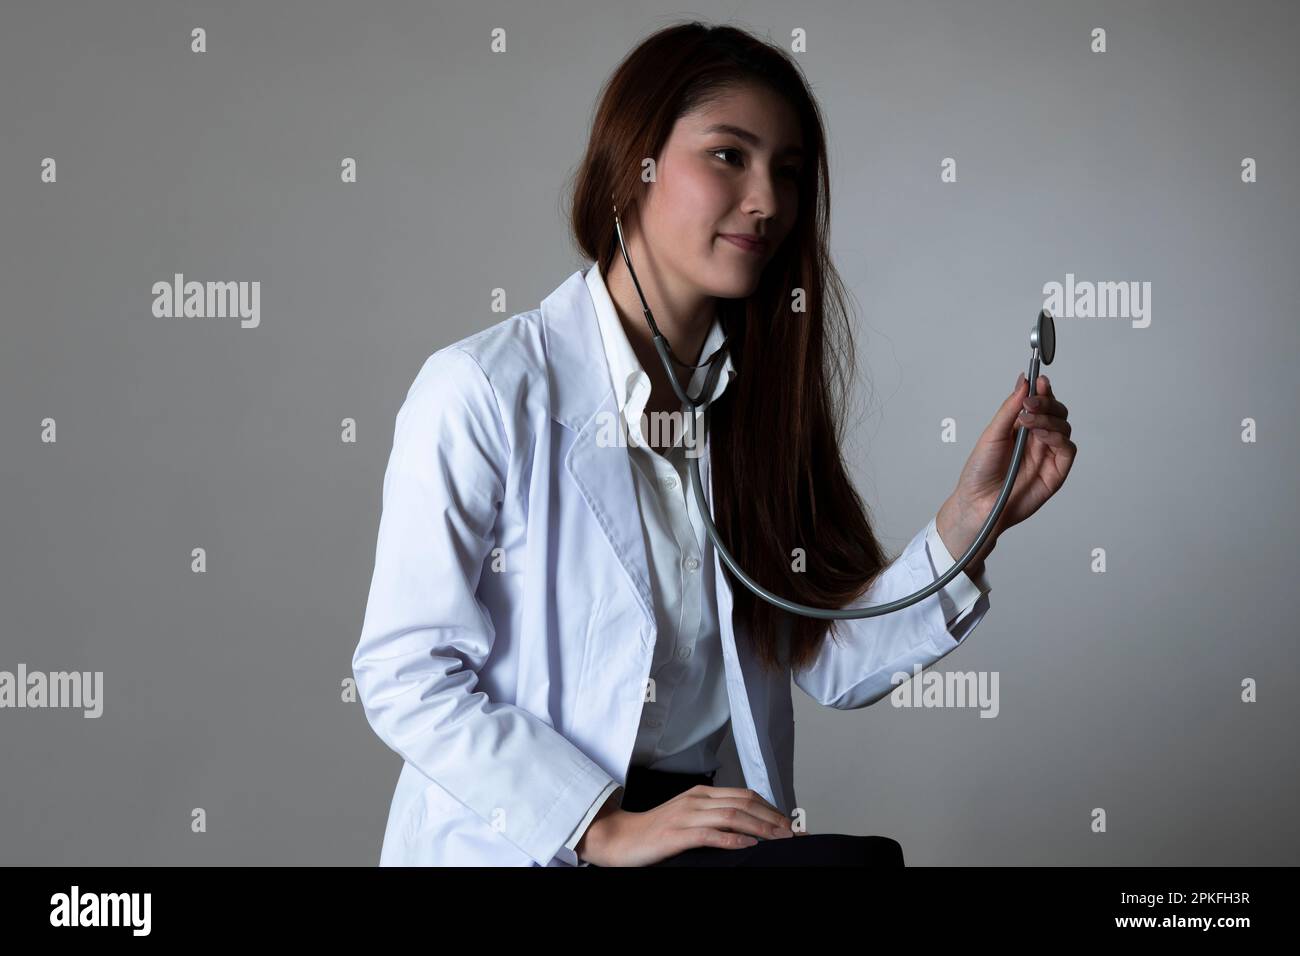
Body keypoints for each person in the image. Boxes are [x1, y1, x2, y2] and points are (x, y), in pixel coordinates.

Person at [352, 21, 1076, 867]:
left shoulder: (749, 403)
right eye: (729, 155)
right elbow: (407, 672)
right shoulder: (481, 390)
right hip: (527, 837)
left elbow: (827, 658)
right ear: (635, 167)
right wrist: (601, 826)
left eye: (790, 171)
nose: (767, 200)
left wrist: (972, 521)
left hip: (695, 837)